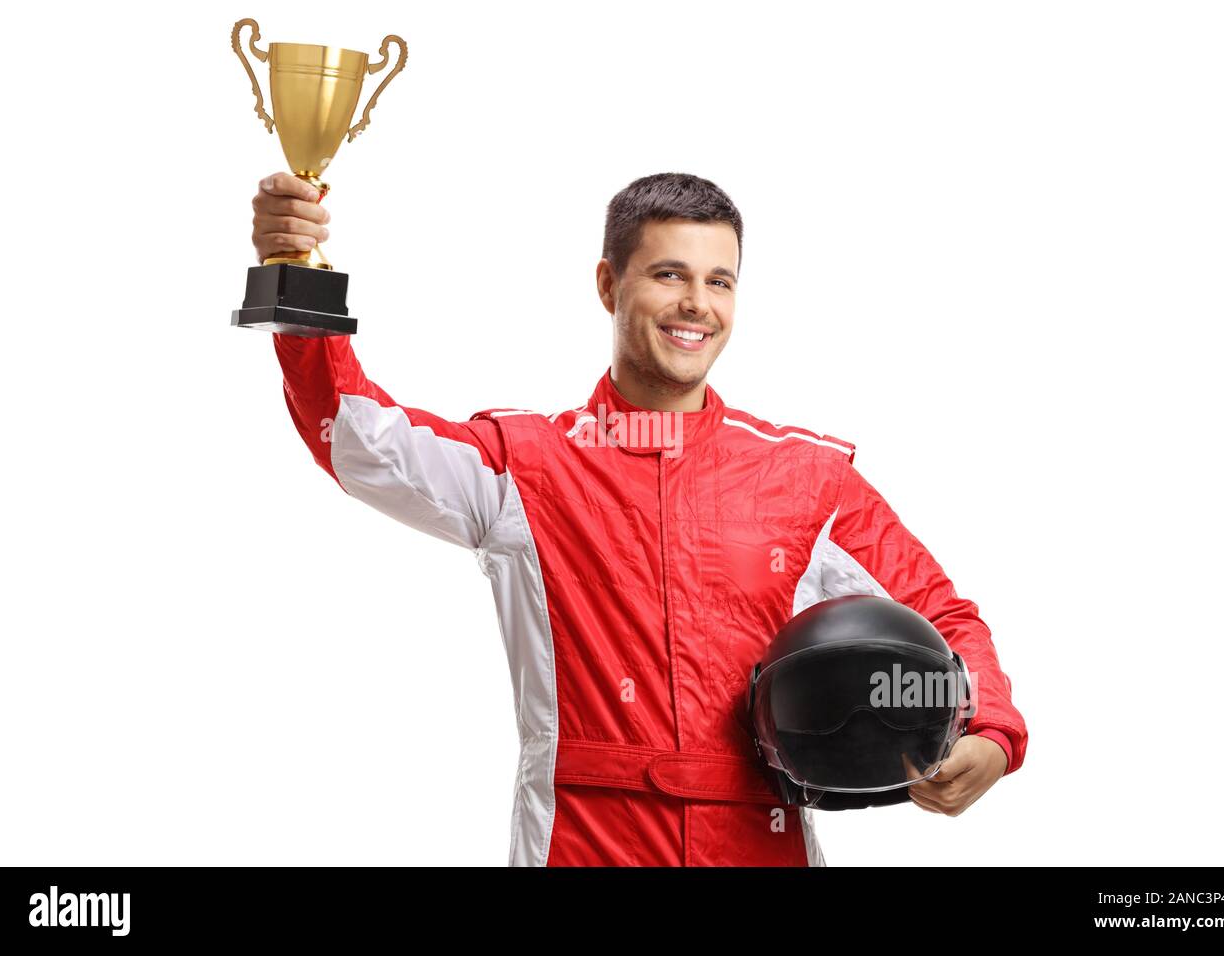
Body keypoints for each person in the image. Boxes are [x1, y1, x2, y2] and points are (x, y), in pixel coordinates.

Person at [248, 170, 1029, 866]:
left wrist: (991, 732)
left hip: (761, 845)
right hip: (583, 843)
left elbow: (943, 615)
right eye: (668, 274)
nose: (698, 304)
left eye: (720, 282)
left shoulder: (806, 477)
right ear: (607, 283)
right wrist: (297, 272)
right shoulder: (525, 465)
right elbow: (356, 436)